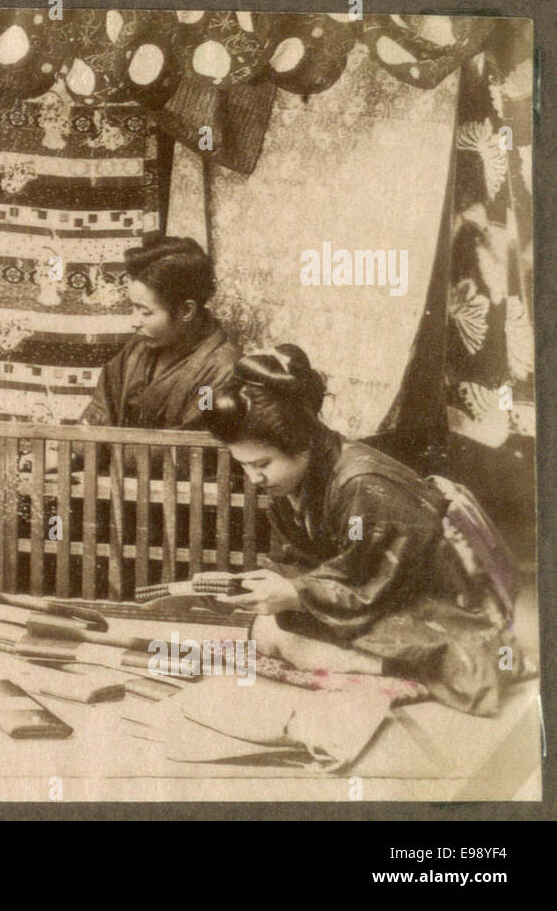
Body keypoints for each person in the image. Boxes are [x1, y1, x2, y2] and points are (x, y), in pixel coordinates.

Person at [204, 344, 521, 715]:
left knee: (282, 638)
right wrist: (275, 587)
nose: (254, 477)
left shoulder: (361, 482)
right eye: (244, 465)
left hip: (440, 600)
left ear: (302, 443)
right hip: (369, 592)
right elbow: (317, 562)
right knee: (269, 629)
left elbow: (374, 583)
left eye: (262, 463)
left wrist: (296, 594)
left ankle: (402, 668)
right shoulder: (295, 478)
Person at [82, 236, 240, 431]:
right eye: (133, 307)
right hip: (113, 459)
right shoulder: (138, 347)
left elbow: (194, 441)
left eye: (145, 312)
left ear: (186, 311)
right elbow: (101, 409)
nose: (134, 322)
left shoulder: (221, 368)